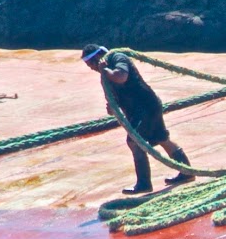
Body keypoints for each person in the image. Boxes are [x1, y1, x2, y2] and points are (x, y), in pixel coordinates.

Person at [81, 45, 194, 194]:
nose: (91, 68)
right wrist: (113, 109)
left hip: (145, 107)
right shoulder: (105, 76)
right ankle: (187, 172)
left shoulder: (117, 58)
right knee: (162, 139)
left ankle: (144, 184)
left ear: (99, 56)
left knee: (133, 142)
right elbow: (114, 99)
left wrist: (105, 70)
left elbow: (121, 77)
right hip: (142, 109)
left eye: (91, 63)